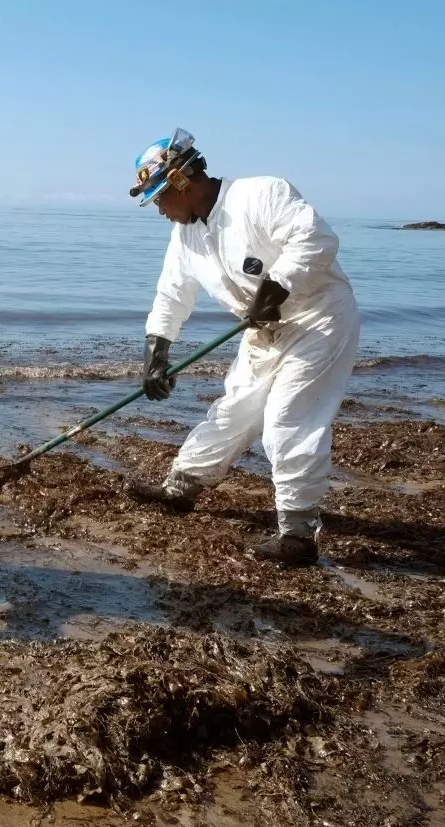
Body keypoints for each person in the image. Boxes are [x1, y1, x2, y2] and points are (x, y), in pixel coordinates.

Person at [125, 128, 360, 566]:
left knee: (289, 419)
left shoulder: (261, 194)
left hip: (317, 319)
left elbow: (316, 239)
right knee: (235, 410)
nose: (158, 209)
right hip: (263, 330)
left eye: (159, 198)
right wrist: (156, 352)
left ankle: (297, 534)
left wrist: (277, 287)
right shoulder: (187, 237)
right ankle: (182, 486)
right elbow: (171, 295)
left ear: (181, 181)